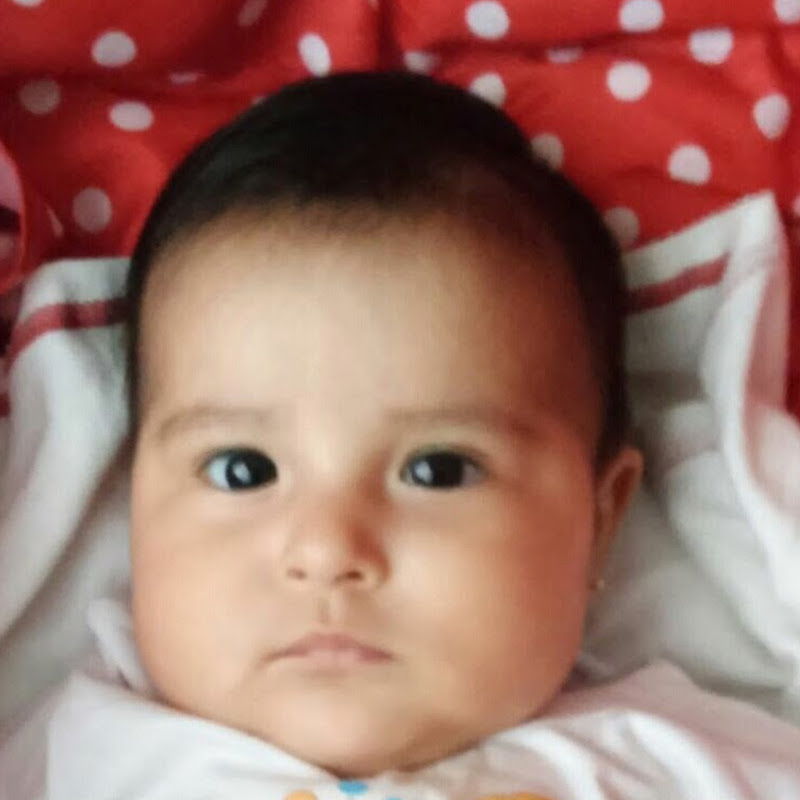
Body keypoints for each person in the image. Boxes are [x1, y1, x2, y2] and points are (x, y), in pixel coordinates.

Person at [3, 70, 800, 800]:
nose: (328, 549)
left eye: (438, 469)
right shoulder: (75, 762)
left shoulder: (676, 765)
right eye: (243, 469)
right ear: (131, 505)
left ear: (599, 518)